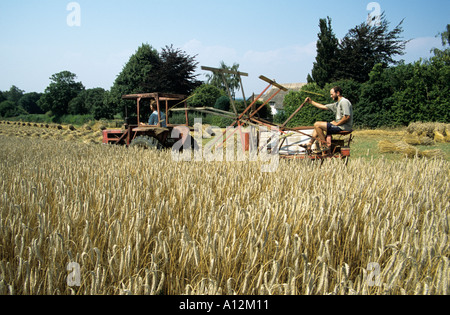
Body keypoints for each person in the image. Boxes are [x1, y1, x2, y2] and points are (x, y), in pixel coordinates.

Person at [305, 86, 353, 152]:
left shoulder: (344, 102)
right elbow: (323, 107)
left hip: (343, 127)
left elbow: (347, 117)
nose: (331, 96)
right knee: (317, 127)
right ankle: (309, 144)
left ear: (338, 93)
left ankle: (324, 145)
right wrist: (311, 102)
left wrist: (337, 124)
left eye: (332, 94)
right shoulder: (337, 104)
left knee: (317, 124)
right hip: (339, 126)